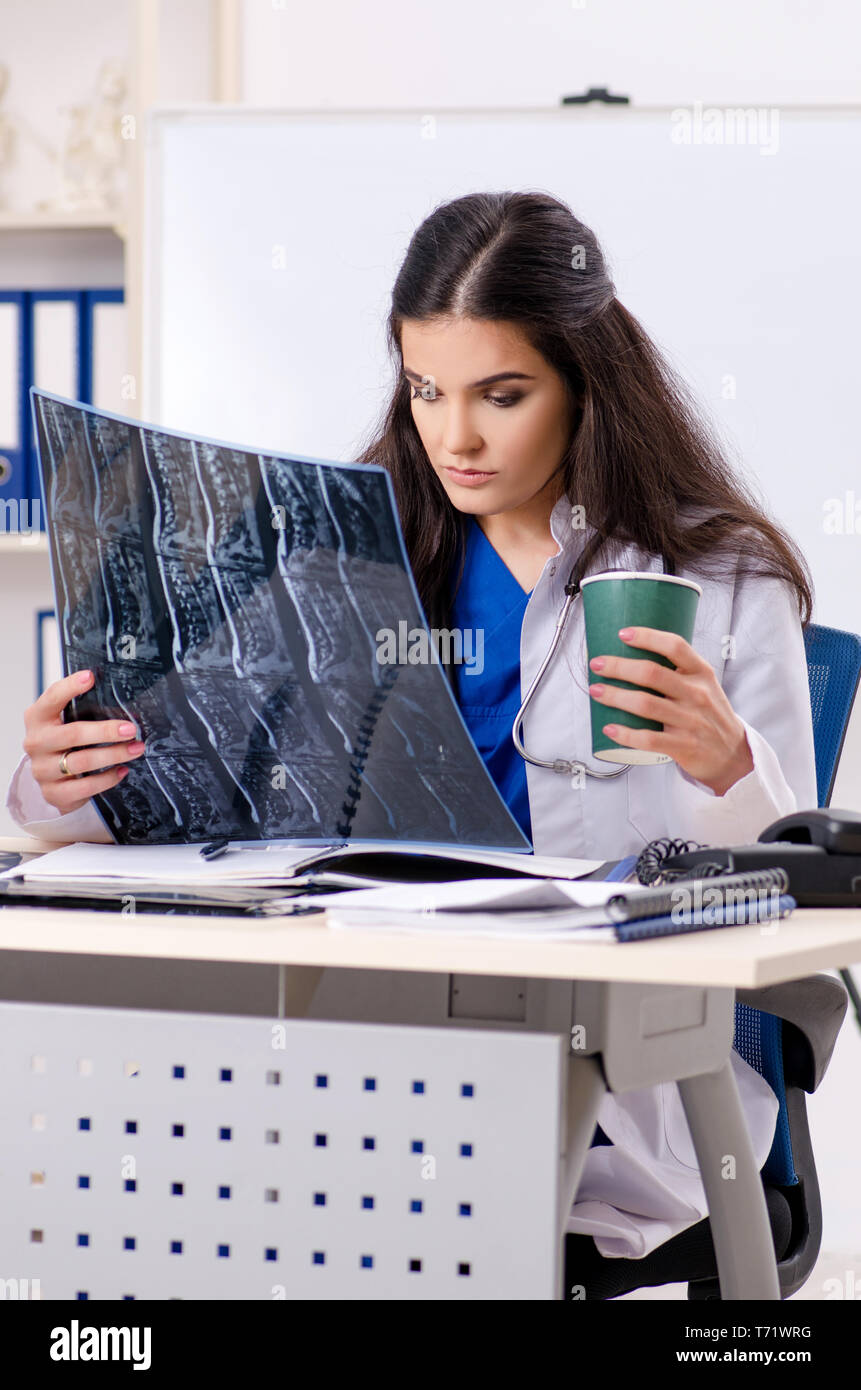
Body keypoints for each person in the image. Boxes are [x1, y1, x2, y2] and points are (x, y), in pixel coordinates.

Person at [6, 190, 818, 1267]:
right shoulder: (349, 556)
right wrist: (59, 783)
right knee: (128, 1166)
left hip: (610, 1059)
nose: (455, 435)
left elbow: (798, 873)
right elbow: (207, 788)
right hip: (374, 1017)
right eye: (427, 390)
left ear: (587, 387)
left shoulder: (717, 578)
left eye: (502, 394)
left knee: (278, 1197)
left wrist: (730, 766)